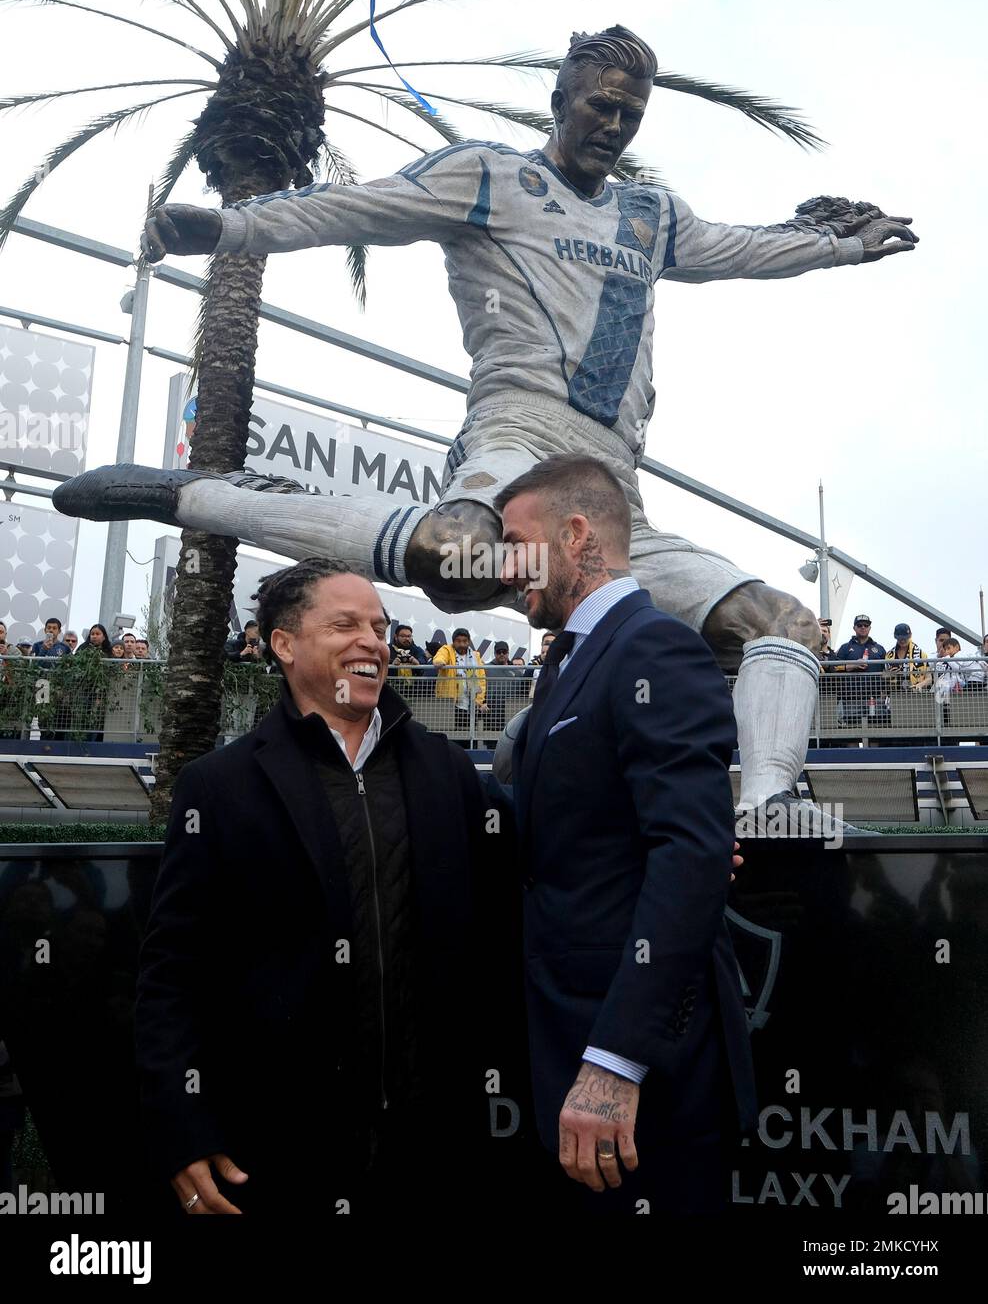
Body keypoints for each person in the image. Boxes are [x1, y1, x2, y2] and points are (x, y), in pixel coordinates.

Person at [54, 26, 917, 842]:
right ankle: (194, 495)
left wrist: (840, 244)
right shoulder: (488, 177)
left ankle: (767, 806)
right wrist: (236, 227)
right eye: (599, 105)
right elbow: (361, 206)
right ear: (560, 97)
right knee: (456, 556)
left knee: (783, 624)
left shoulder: (652, 215)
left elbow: (745, 248)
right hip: (515, 443)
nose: (613, 125)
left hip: (614, 498)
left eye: (630, 113)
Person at [135, 557, 511, 1217]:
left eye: (379, 625)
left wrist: (689, 841)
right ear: (284, 644)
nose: (372, 640)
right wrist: (181, 1125)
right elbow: (174, 972)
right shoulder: (219, 788)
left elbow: (535, 874)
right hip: (282, 1151)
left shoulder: (448, 773)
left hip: (436, 1144)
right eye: (345, 624)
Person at [490, 454, 754, 1215]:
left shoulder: (653, 648)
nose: (505, 567)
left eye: (515, 542)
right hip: (570, 1064)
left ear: (577, 536)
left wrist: (614, 1064)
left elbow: (692, 852)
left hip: (642, 1087)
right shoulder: (571, 664)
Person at [431, 628, 488, 745]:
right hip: (450, 703)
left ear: (469, 642)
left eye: (465, 641)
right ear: (453, 642)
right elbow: (440, 657)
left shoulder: (475, 656)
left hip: (470, 703)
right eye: (458, 641)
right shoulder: (446, 649)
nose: (462, 644)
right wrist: (439, 662)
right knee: (448, 738)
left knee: (467, 737)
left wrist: (479, 701)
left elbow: (481, 680)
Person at [884, 623, 931, 691]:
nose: (902, 641)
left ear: (910, 635)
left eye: (905, 638)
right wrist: (889, 675)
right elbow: (884, 678)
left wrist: (920, 685)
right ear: (895, 637)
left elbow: (929, 678)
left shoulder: (921, 654)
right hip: (895, 695)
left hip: (915, 696)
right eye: (900, 638)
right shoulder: (889, 655)